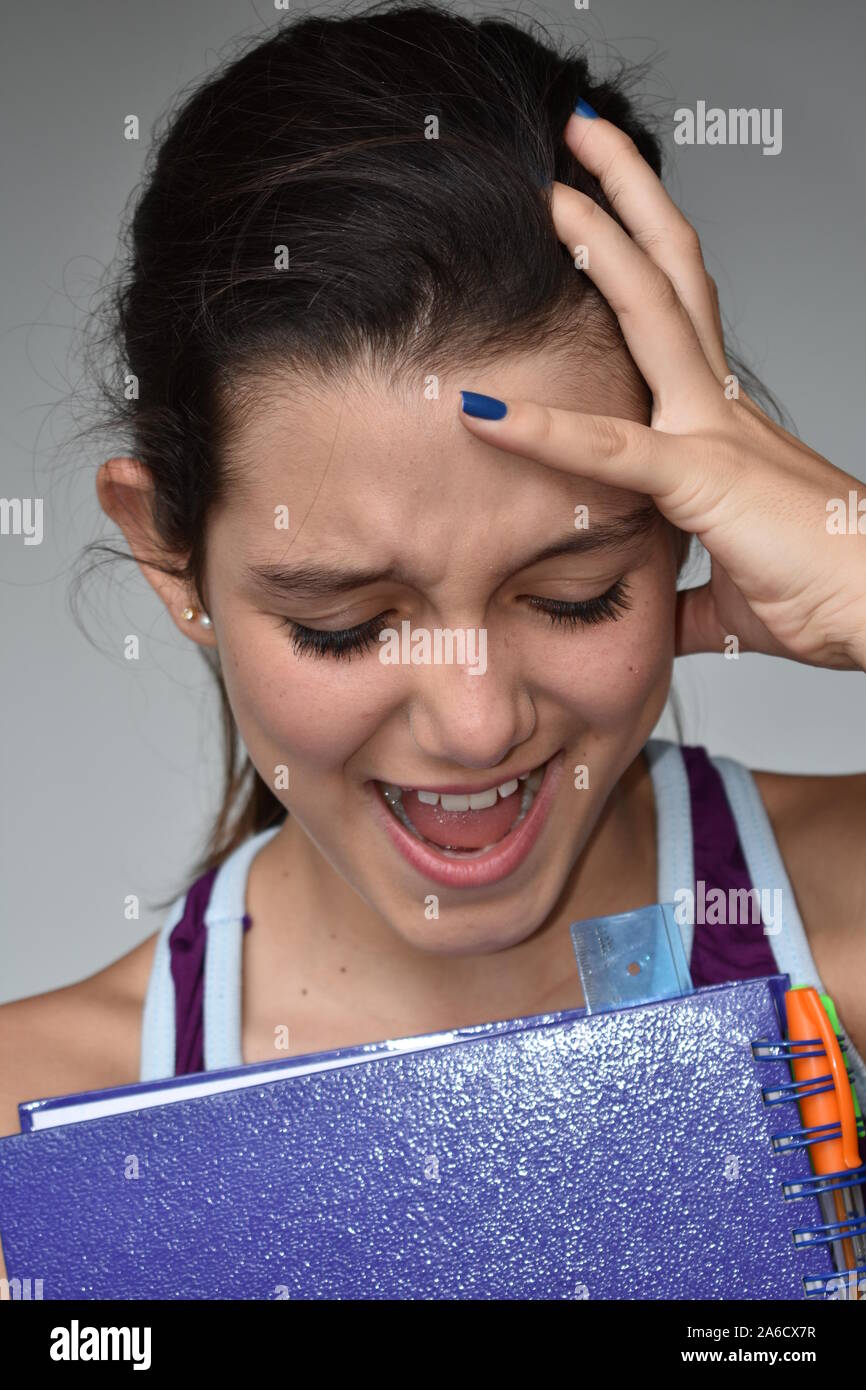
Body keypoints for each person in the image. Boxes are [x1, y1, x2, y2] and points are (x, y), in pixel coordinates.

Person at [1, 3, 864, 1155]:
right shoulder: (42, 1144)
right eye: (344, 624)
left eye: (574, 593)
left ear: (686, 518)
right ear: (168, 548)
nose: (474, 723)